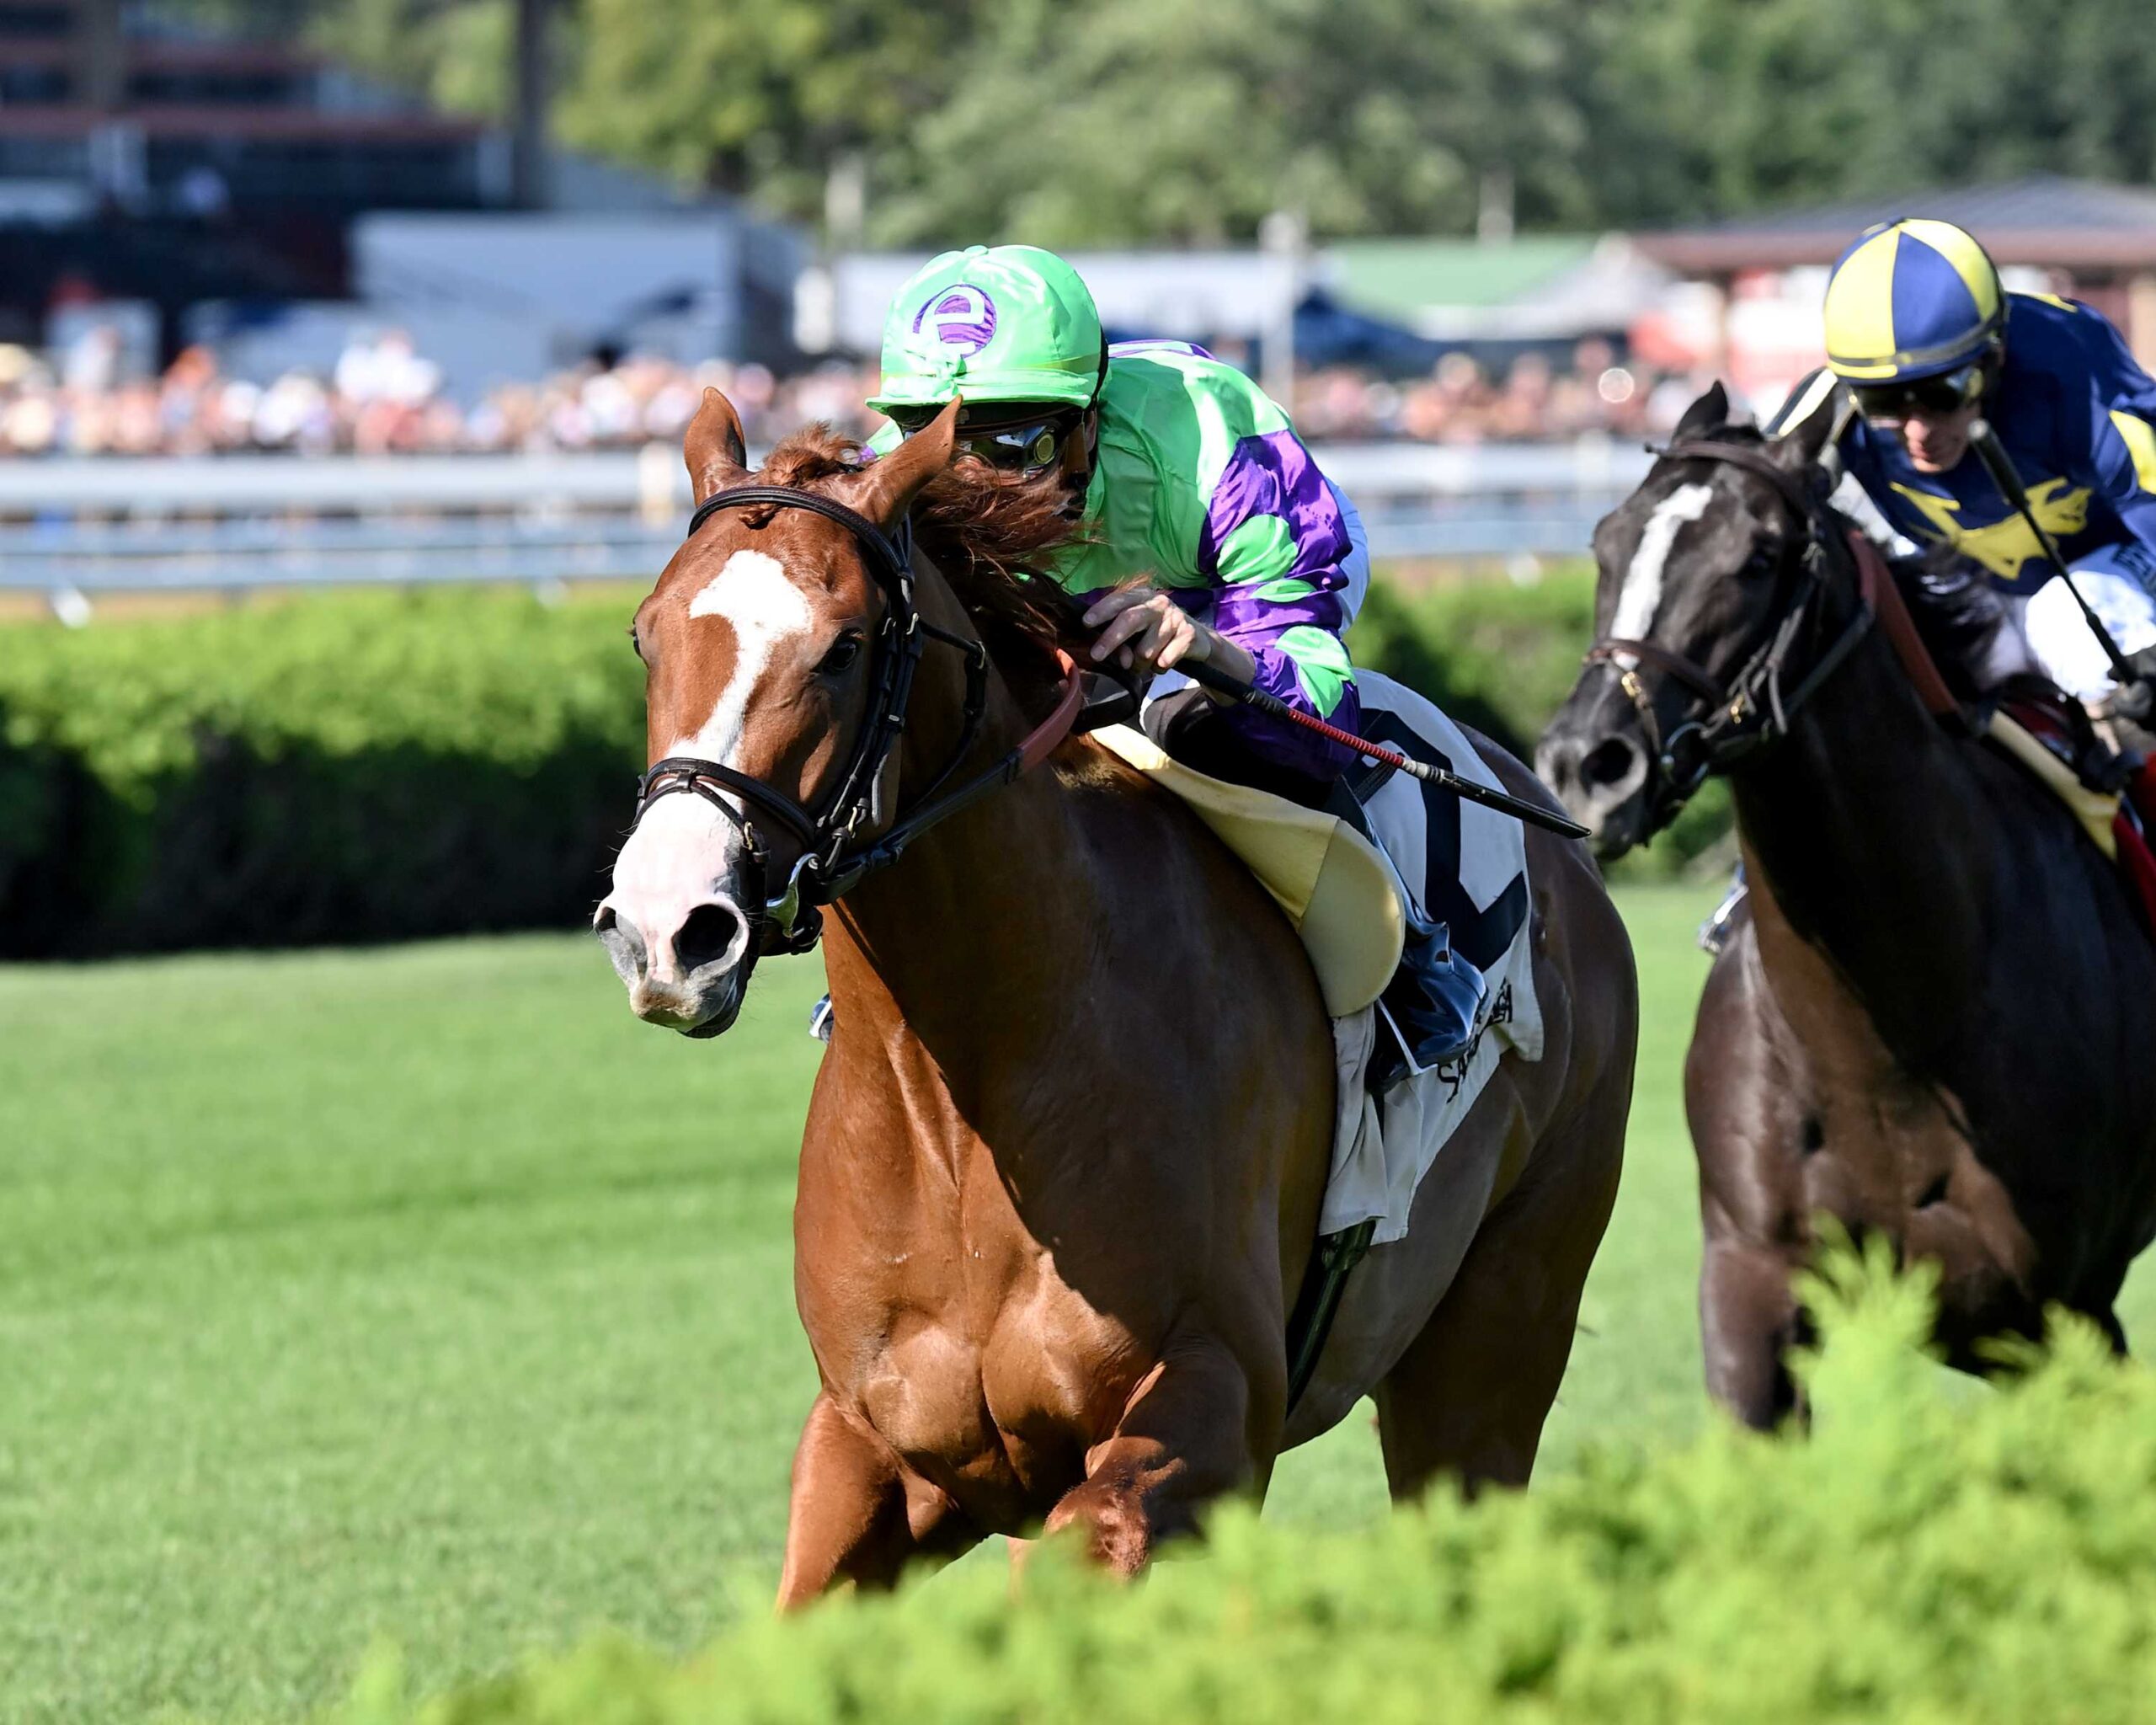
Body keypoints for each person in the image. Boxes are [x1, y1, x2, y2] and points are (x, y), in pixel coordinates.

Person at [864, 243, 1370, 804]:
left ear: (1091, 422)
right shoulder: (882, 476)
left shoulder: (1220, 458)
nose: (975, 485)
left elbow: (1324, 732)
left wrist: (1208, 647)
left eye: (1016, 444)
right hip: (1099, 585)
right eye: (936, 443)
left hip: (1247, 558)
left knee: (1178, 725)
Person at [1784, 217, 2156, 711]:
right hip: (1974, 585)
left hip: (2115, 565)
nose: (1918, 432)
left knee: (2071, 632)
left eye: (1942, 395)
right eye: (1885, 402)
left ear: (1993, 361)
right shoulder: (1835, 406)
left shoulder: (2076, 384)